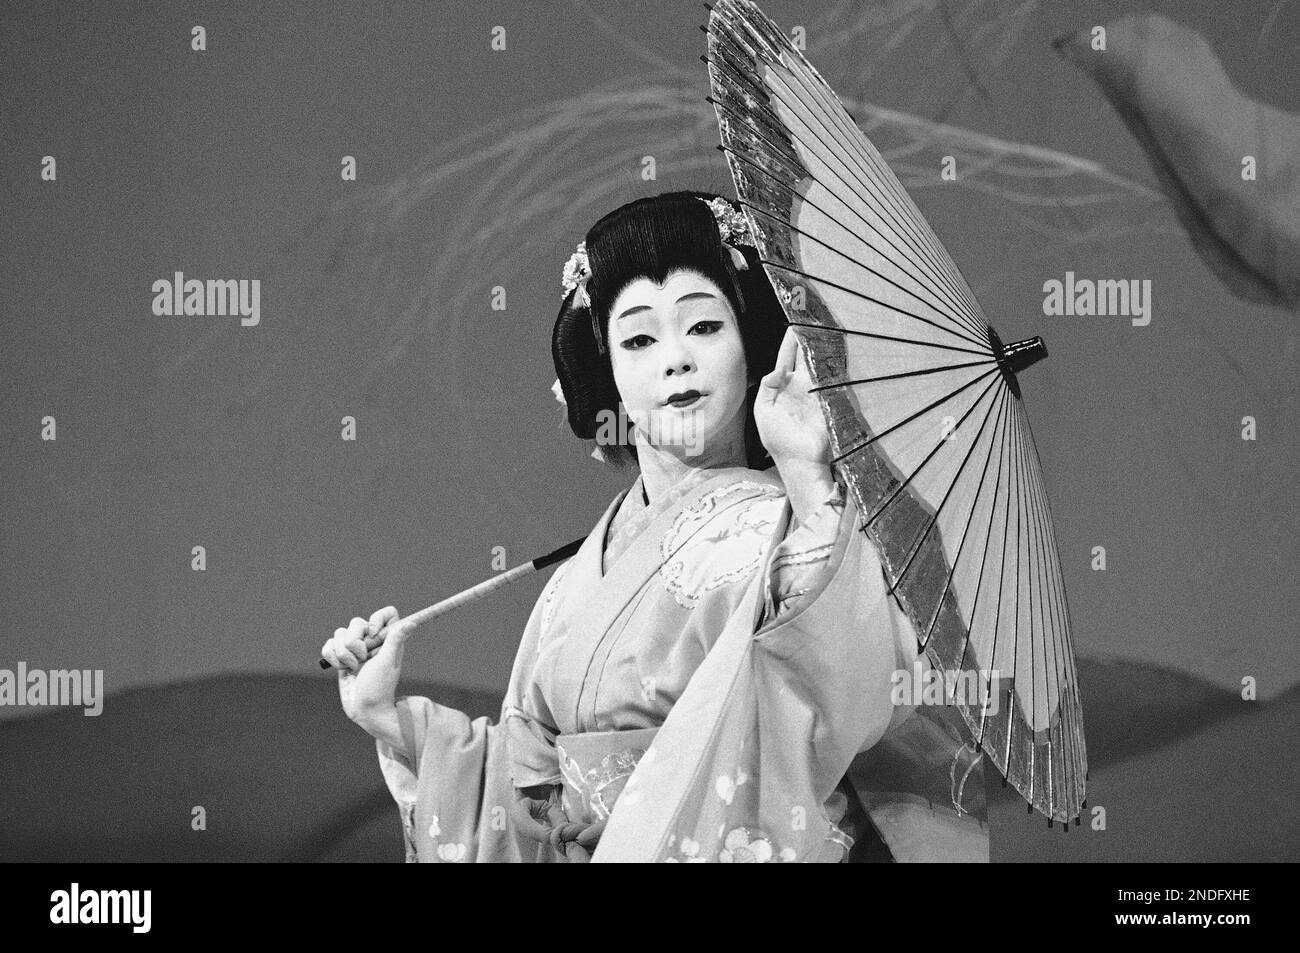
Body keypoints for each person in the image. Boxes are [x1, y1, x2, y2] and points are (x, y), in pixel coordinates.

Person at [321, 190, 990, 862]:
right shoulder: (584, 570)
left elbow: (831, 696)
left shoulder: (798, 530)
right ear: (605, 370)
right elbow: (525, 785)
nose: (676, 359)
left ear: (750, 343)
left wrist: (809, 474)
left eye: (704, 326)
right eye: (639, 337)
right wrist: (390, 716)